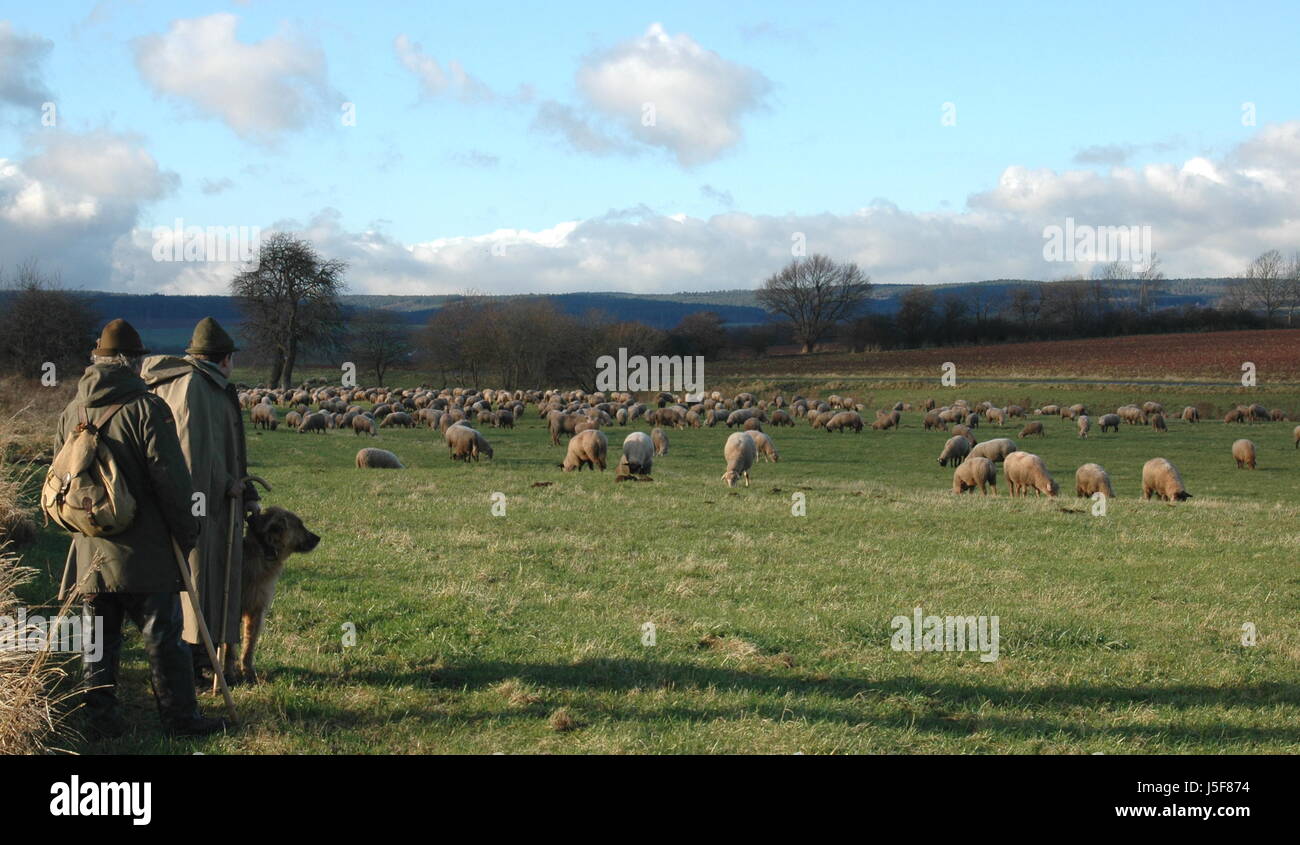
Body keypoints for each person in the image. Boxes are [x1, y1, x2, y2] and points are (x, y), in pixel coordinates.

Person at [55, 319, 225, 738]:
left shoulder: (70, 412)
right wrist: (187, 533)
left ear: (97, 358)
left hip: (90, 549)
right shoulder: (148, 409)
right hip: (146, 553)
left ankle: (100, 720)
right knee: (163, 637)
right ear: (134, 362)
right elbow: (172, 481)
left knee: (97, 638)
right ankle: (180, 720)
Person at [142, 317, 259, 685]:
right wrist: (214, 495)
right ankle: (194, 660)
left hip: (209, 501)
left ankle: (201, 655)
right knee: (199, 578)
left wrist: (246, 492)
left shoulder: (200, 384)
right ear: (223, 359)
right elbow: (191, 454)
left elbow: (224, 449)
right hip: (201, 505)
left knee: (201, 578)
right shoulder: (195, 387)